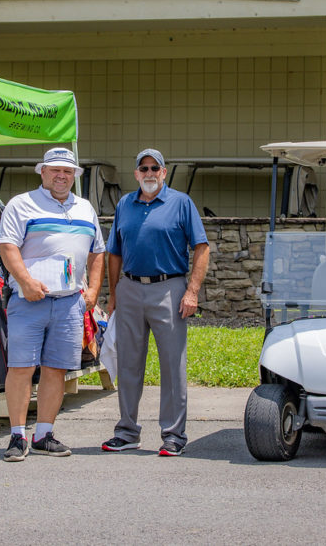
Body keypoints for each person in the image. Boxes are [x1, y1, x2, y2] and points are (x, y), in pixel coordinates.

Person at [0, 147, 105, 462]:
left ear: (74, 176)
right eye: (55, 170)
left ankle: (43, 433)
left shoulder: (85, 208)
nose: (61, 175)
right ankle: (17, 436)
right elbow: (7, 246)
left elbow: (98, 251)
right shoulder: (22, 204)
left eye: (67, 171)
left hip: (70, 302)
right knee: (21, 367)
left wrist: (94, 290)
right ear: (42, 172)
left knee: (57, 369)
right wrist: (27, 282)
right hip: (29, 300)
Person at [102, 148, 210, 456]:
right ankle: (126, 431)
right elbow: (114, 252)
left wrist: (192, 291)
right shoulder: (125, 204)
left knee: (172, 366)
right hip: (131, 289)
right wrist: (113, 295)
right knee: (128, 363)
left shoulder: (181, 203)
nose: (149, 173)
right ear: (136, 174)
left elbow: (202, 247)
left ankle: (174, 435)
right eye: (143, 168)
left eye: (155, 168)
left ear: (164, 172)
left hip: (169, 288)